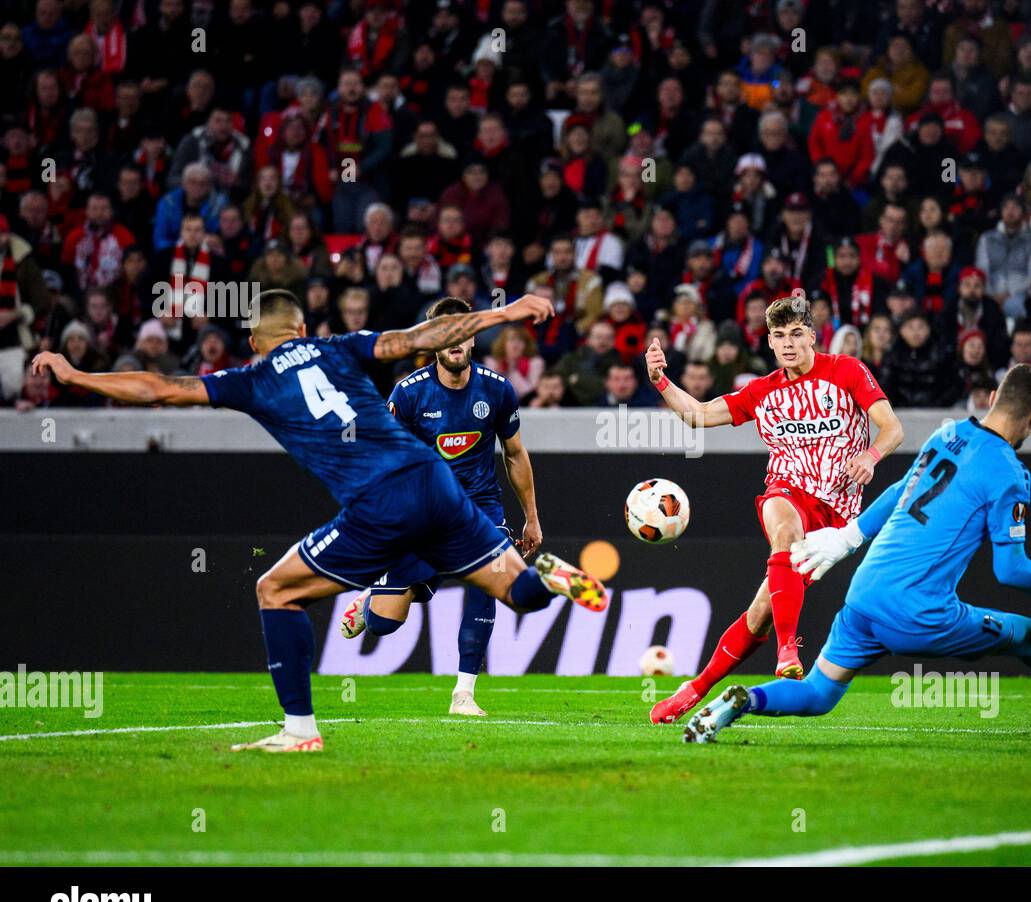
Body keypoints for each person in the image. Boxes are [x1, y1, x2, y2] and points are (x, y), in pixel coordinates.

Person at [30, 290, 606, 752]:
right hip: (434, 479)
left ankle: (299, 729)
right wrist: (503, 313)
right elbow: (416, 340)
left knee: (275, 590)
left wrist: (73, 374)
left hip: (380, 501)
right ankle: (551, 575)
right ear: (304, 330)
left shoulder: (250, 379)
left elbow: (158, 388)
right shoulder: (340, 347)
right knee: (519, 594)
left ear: (255, 341)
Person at [684, 364, 1031, 743]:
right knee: (1028, 634)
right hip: (920, 612)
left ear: (994, 397)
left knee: (817, 693)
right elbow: (1010, 570)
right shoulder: (1010, 473)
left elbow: (900, 487)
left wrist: (848, 538)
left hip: (863, 596)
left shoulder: (947, 434)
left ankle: (747, 699)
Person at [645, 297, 904, 724]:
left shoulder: (847, 371)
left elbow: (892, 427)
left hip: (836, 512)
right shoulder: (762, 391)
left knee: (759, 614)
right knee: (784, 530)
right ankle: (788, 650)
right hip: (786, 489)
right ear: (769, 341)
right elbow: (698, 415)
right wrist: (660, 381)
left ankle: (695, 689)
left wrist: (871, 456)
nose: (788, 344)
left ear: (812, 336)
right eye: (779, 336)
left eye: (796, 334)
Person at [338, 298, 543, 718]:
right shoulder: (409, 394)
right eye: (445, 334)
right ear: (431, 342)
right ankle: (382, 597)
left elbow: (515, 453)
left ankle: (463, 694)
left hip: (479, 508)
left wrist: (531, 518)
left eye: (462, 332)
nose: (455, 342)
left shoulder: (497, 389)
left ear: (473, 337)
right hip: (423, 513)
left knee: (493, 578)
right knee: (383, 624)